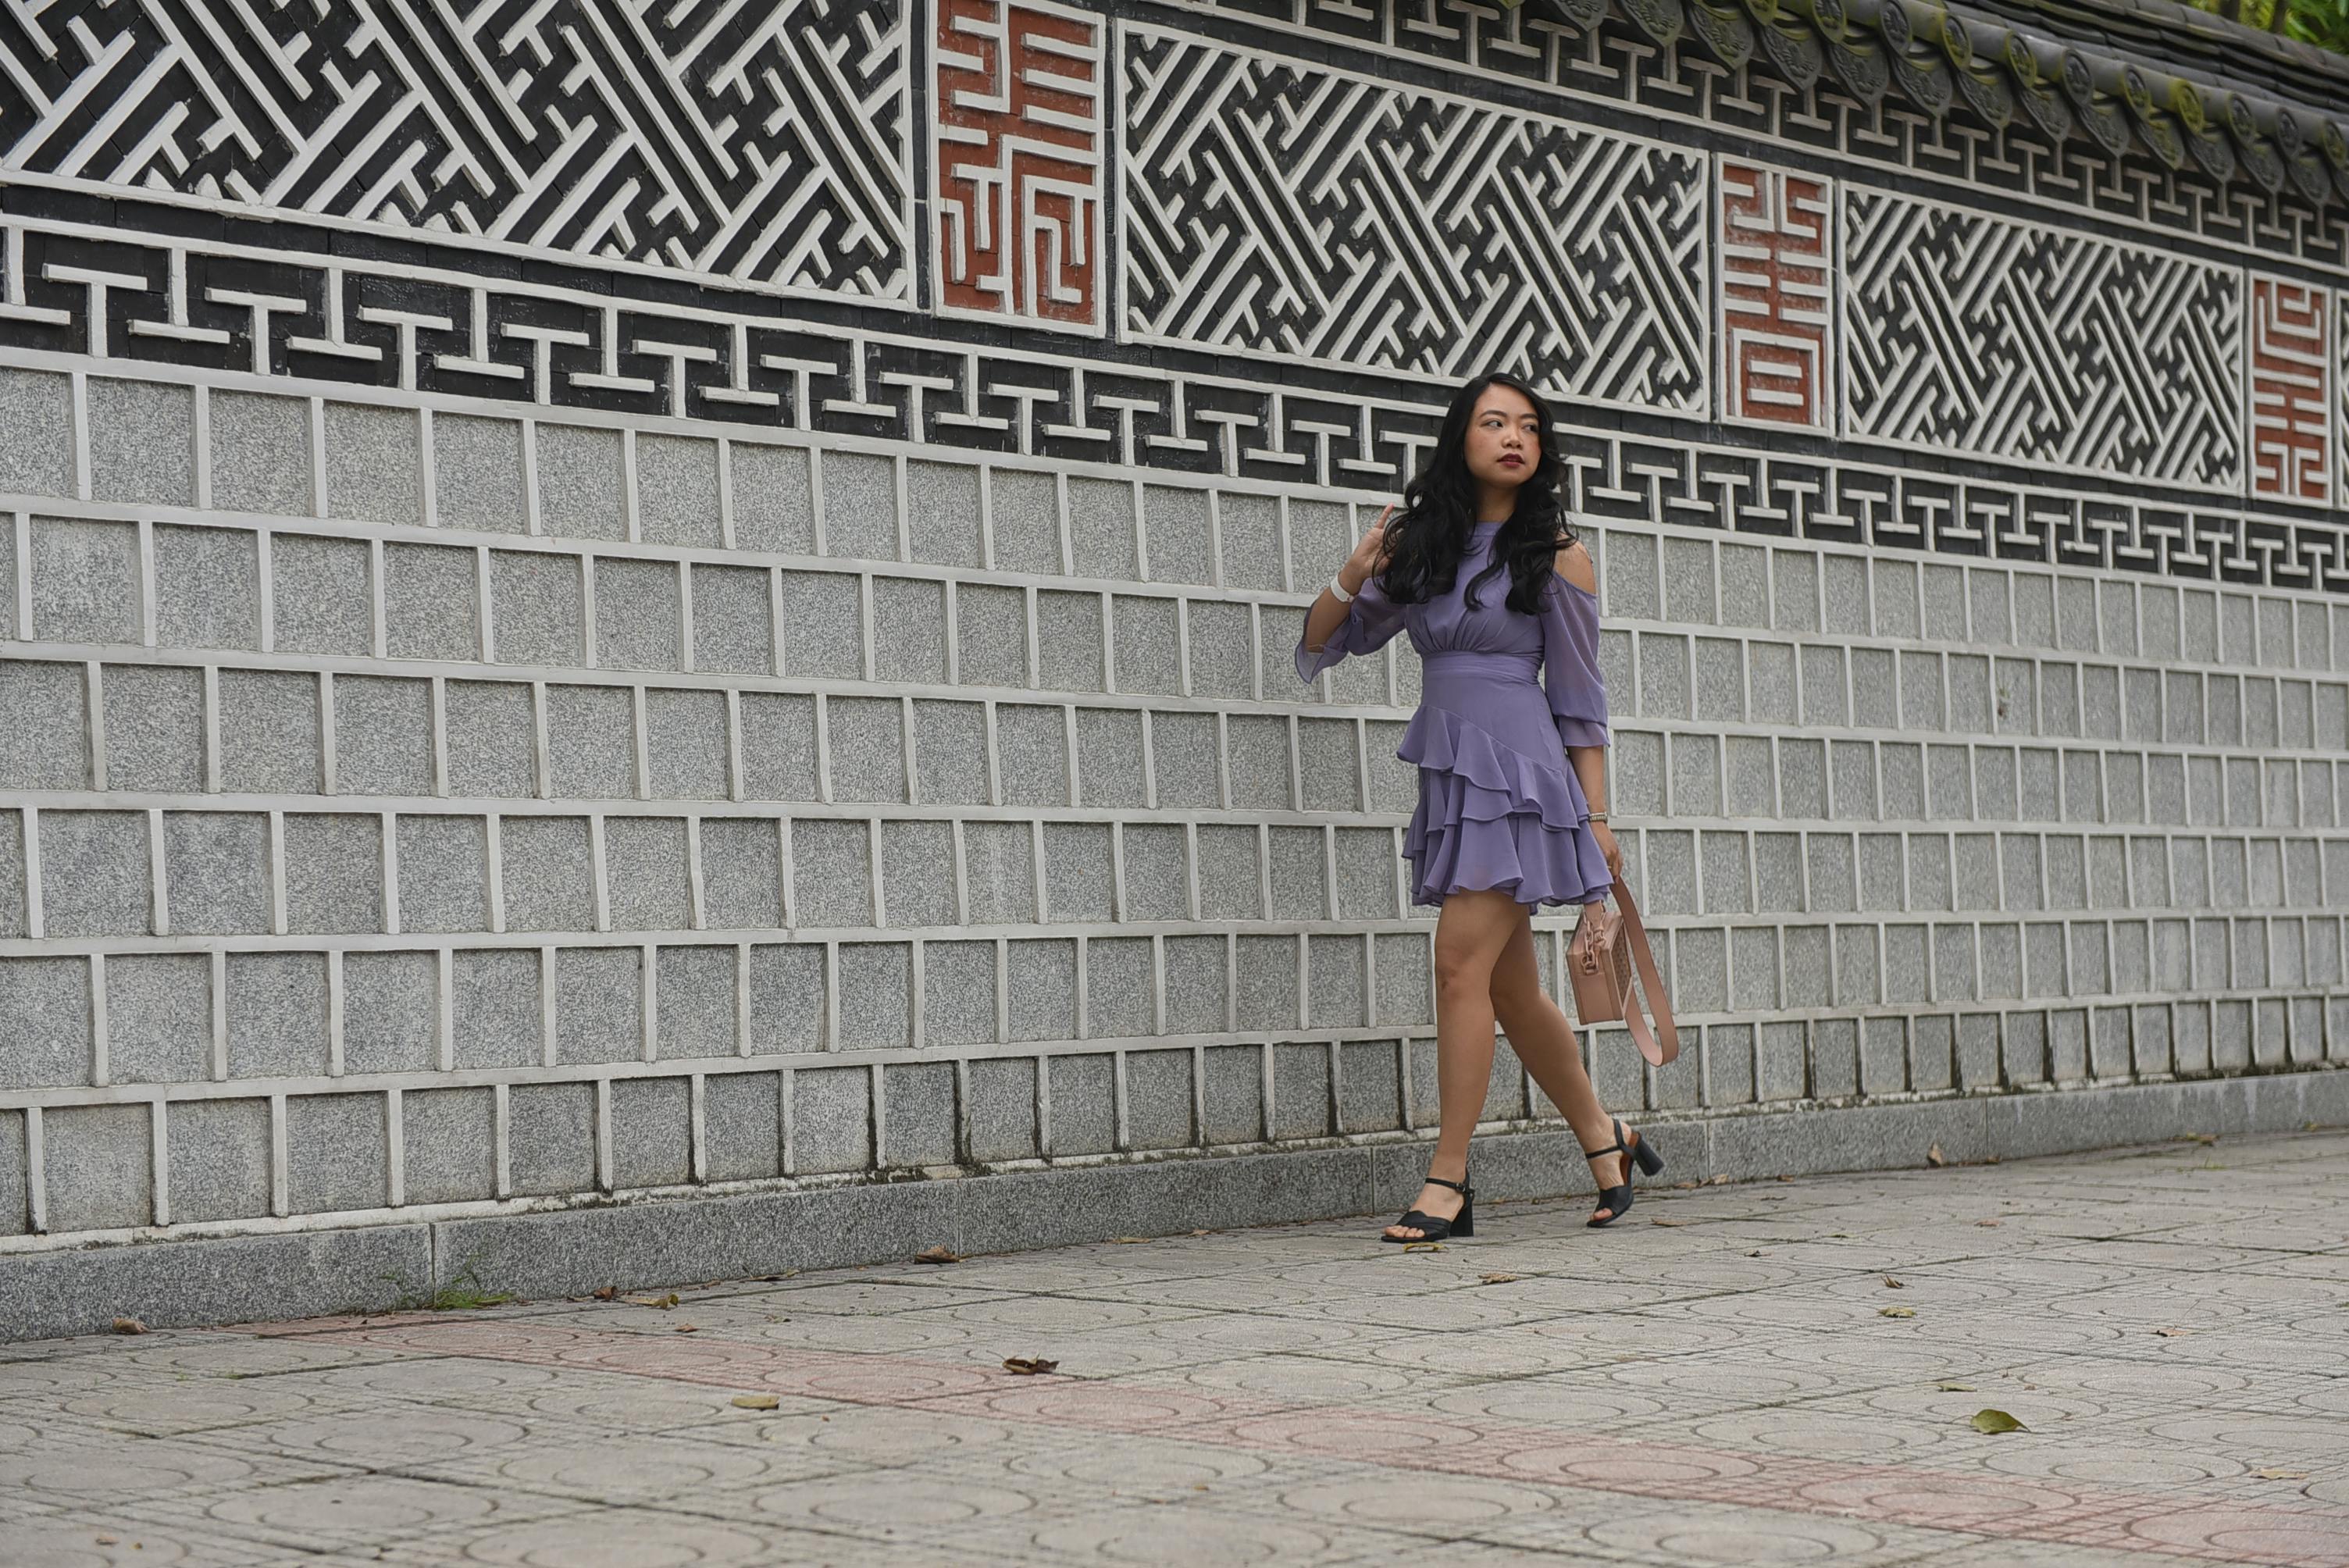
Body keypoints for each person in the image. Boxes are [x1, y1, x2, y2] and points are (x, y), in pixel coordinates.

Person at [1296, 372, 1663, 1239]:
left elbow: (1580, 701)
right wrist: (1354, 571)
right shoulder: (1426, 549)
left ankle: (1448, 1181)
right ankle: (1604, 1137)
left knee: (1457, 965)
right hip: (1454, 775)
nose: (1512, 437)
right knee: (1505, 989)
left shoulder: (1558, 555)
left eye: (1528, 426)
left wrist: (1597, 818)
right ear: (1459, 438)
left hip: (1524, 779)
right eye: (1493, 422)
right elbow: (1320, 641)